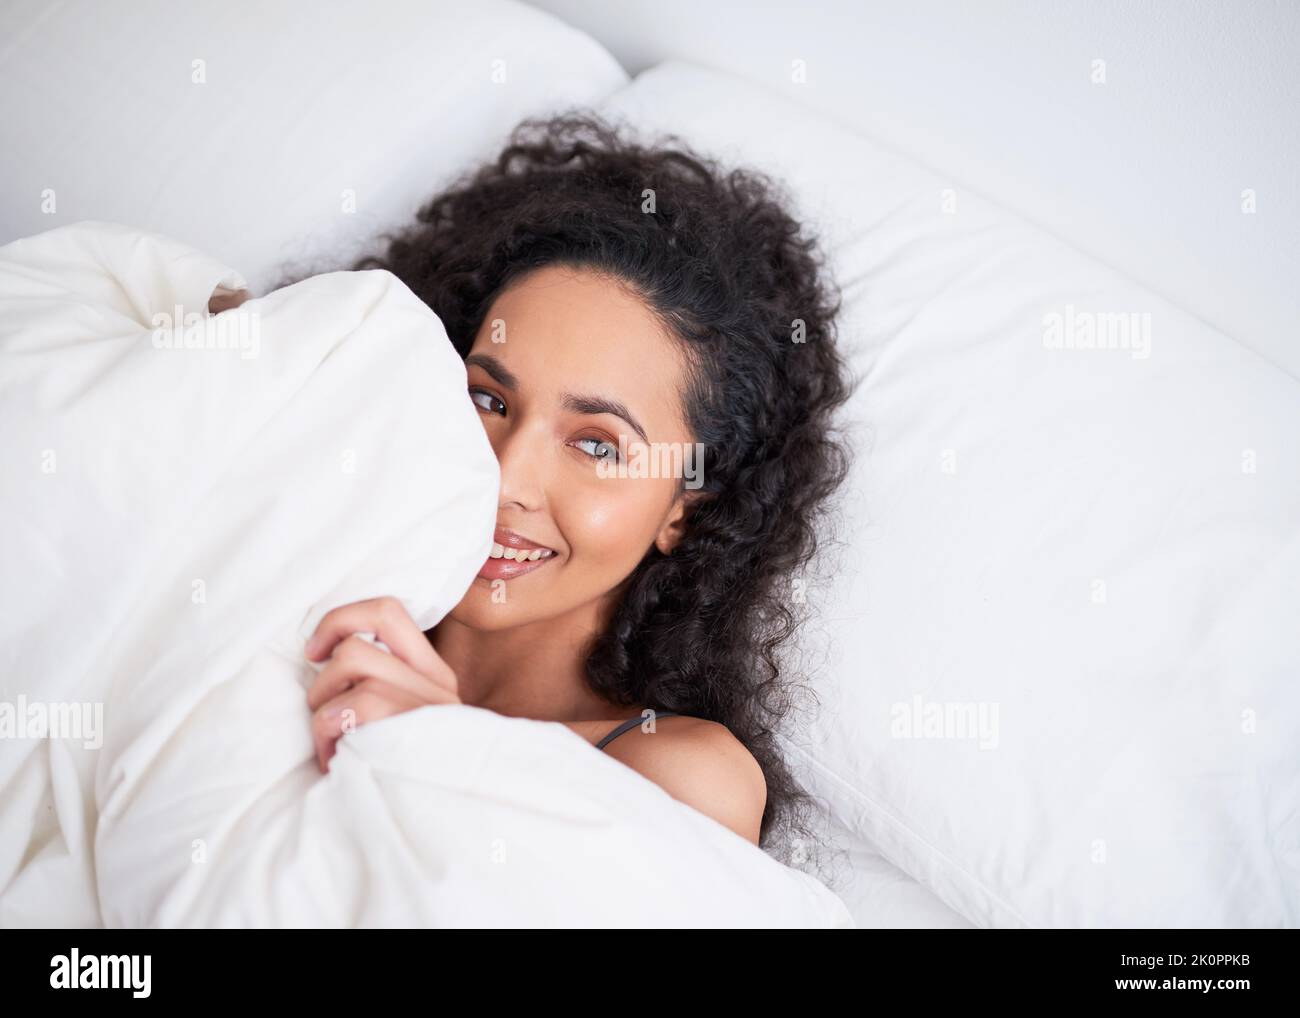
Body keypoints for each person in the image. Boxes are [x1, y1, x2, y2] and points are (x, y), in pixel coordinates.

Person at [293, 112, 856, 852]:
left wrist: (434, 755)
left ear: (684, 510)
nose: (504, 475)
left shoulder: (678, 772)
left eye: (597, 444)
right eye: (487, 400)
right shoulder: (303, 583)